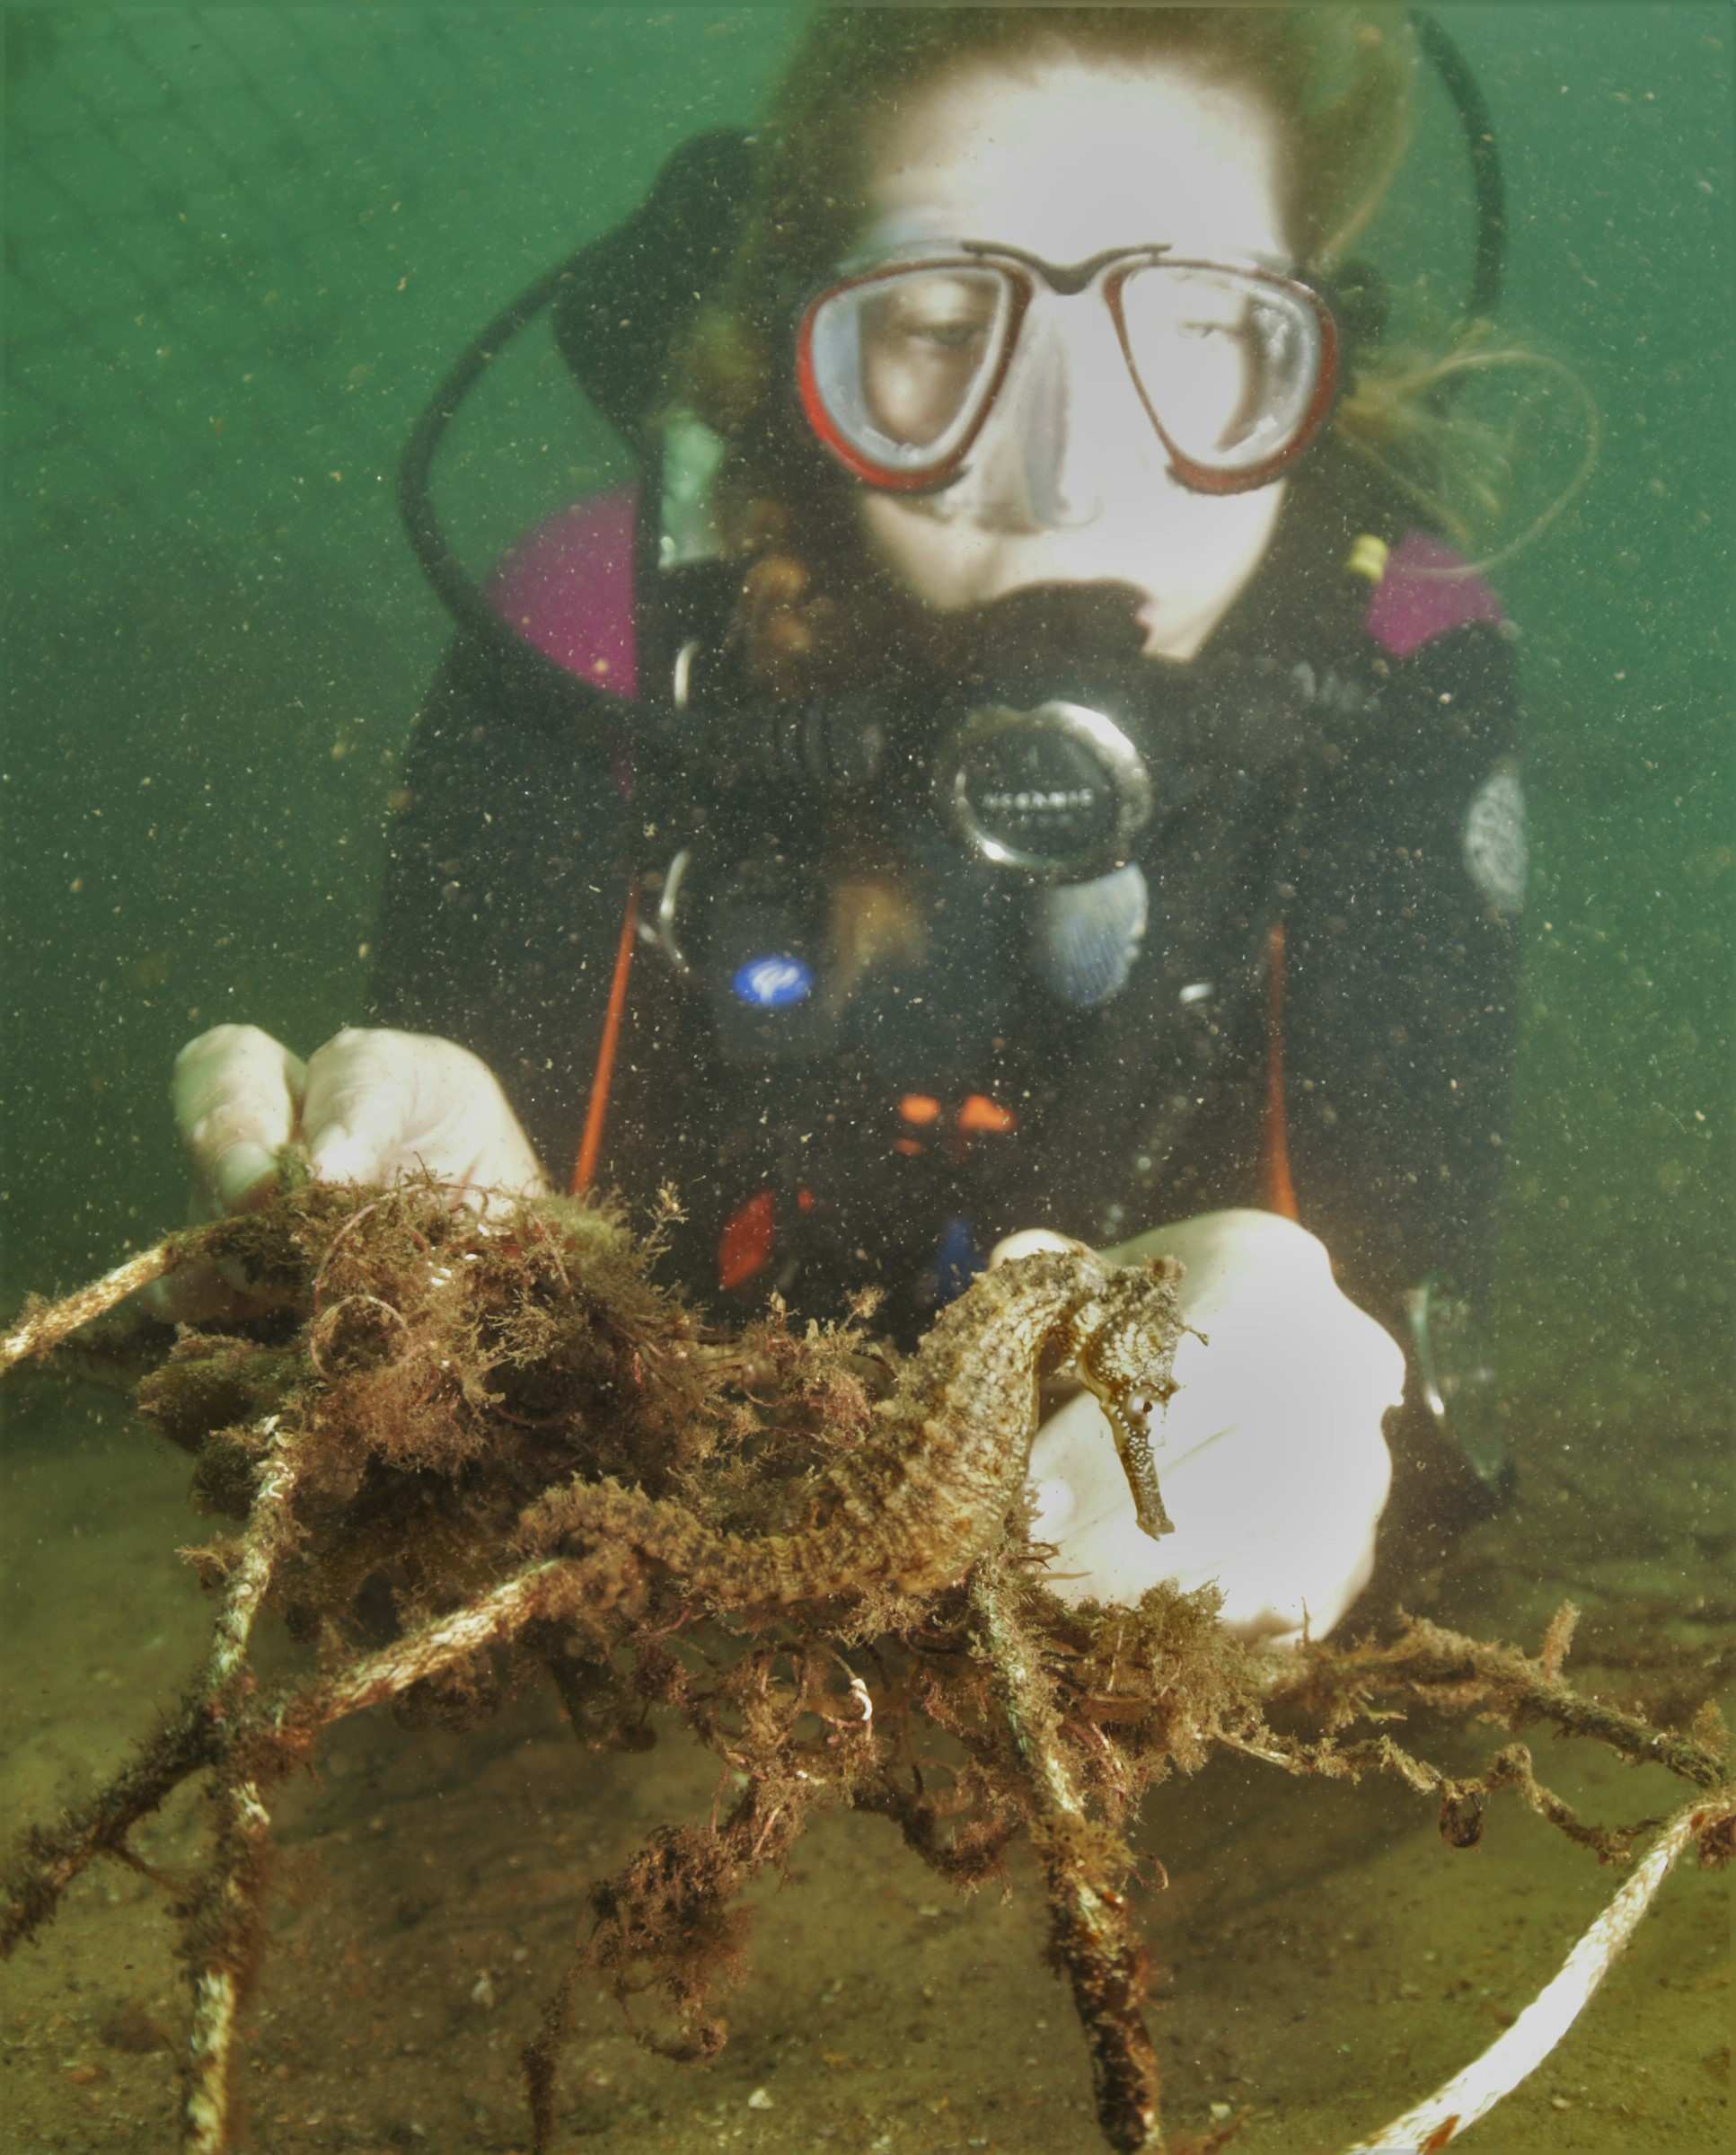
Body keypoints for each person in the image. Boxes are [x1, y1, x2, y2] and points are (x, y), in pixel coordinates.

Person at [150, 5, 1532, 1646]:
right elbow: (460, 1478)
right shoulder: (604, 635)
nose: (1065, 470)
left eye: (1200, 331)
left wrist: (1307, 1426)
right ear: (808, 359)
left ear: (1310, 360)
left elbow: (1397, 1387)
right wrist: (433, 1284)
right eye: (942, 324)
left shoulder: (1402, 672)